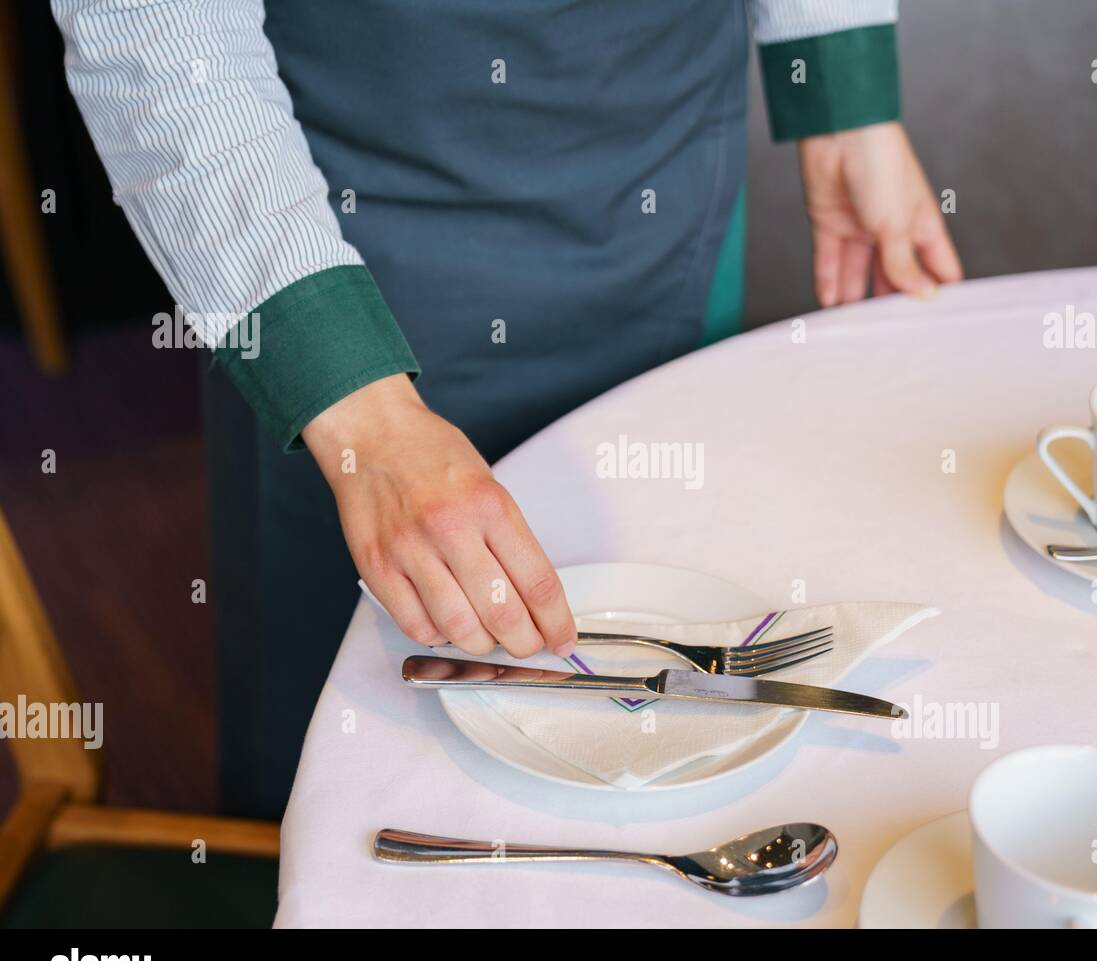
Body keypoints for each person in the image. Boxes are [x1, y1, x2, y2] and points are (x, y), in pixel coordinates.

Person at [52, 0, 961, 818]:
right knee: (365, 750)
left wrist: (840, 87)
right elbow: (153, 31)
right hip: (348, 214)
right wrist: (358, 409)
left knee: (670, 691)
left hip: (661, 169)